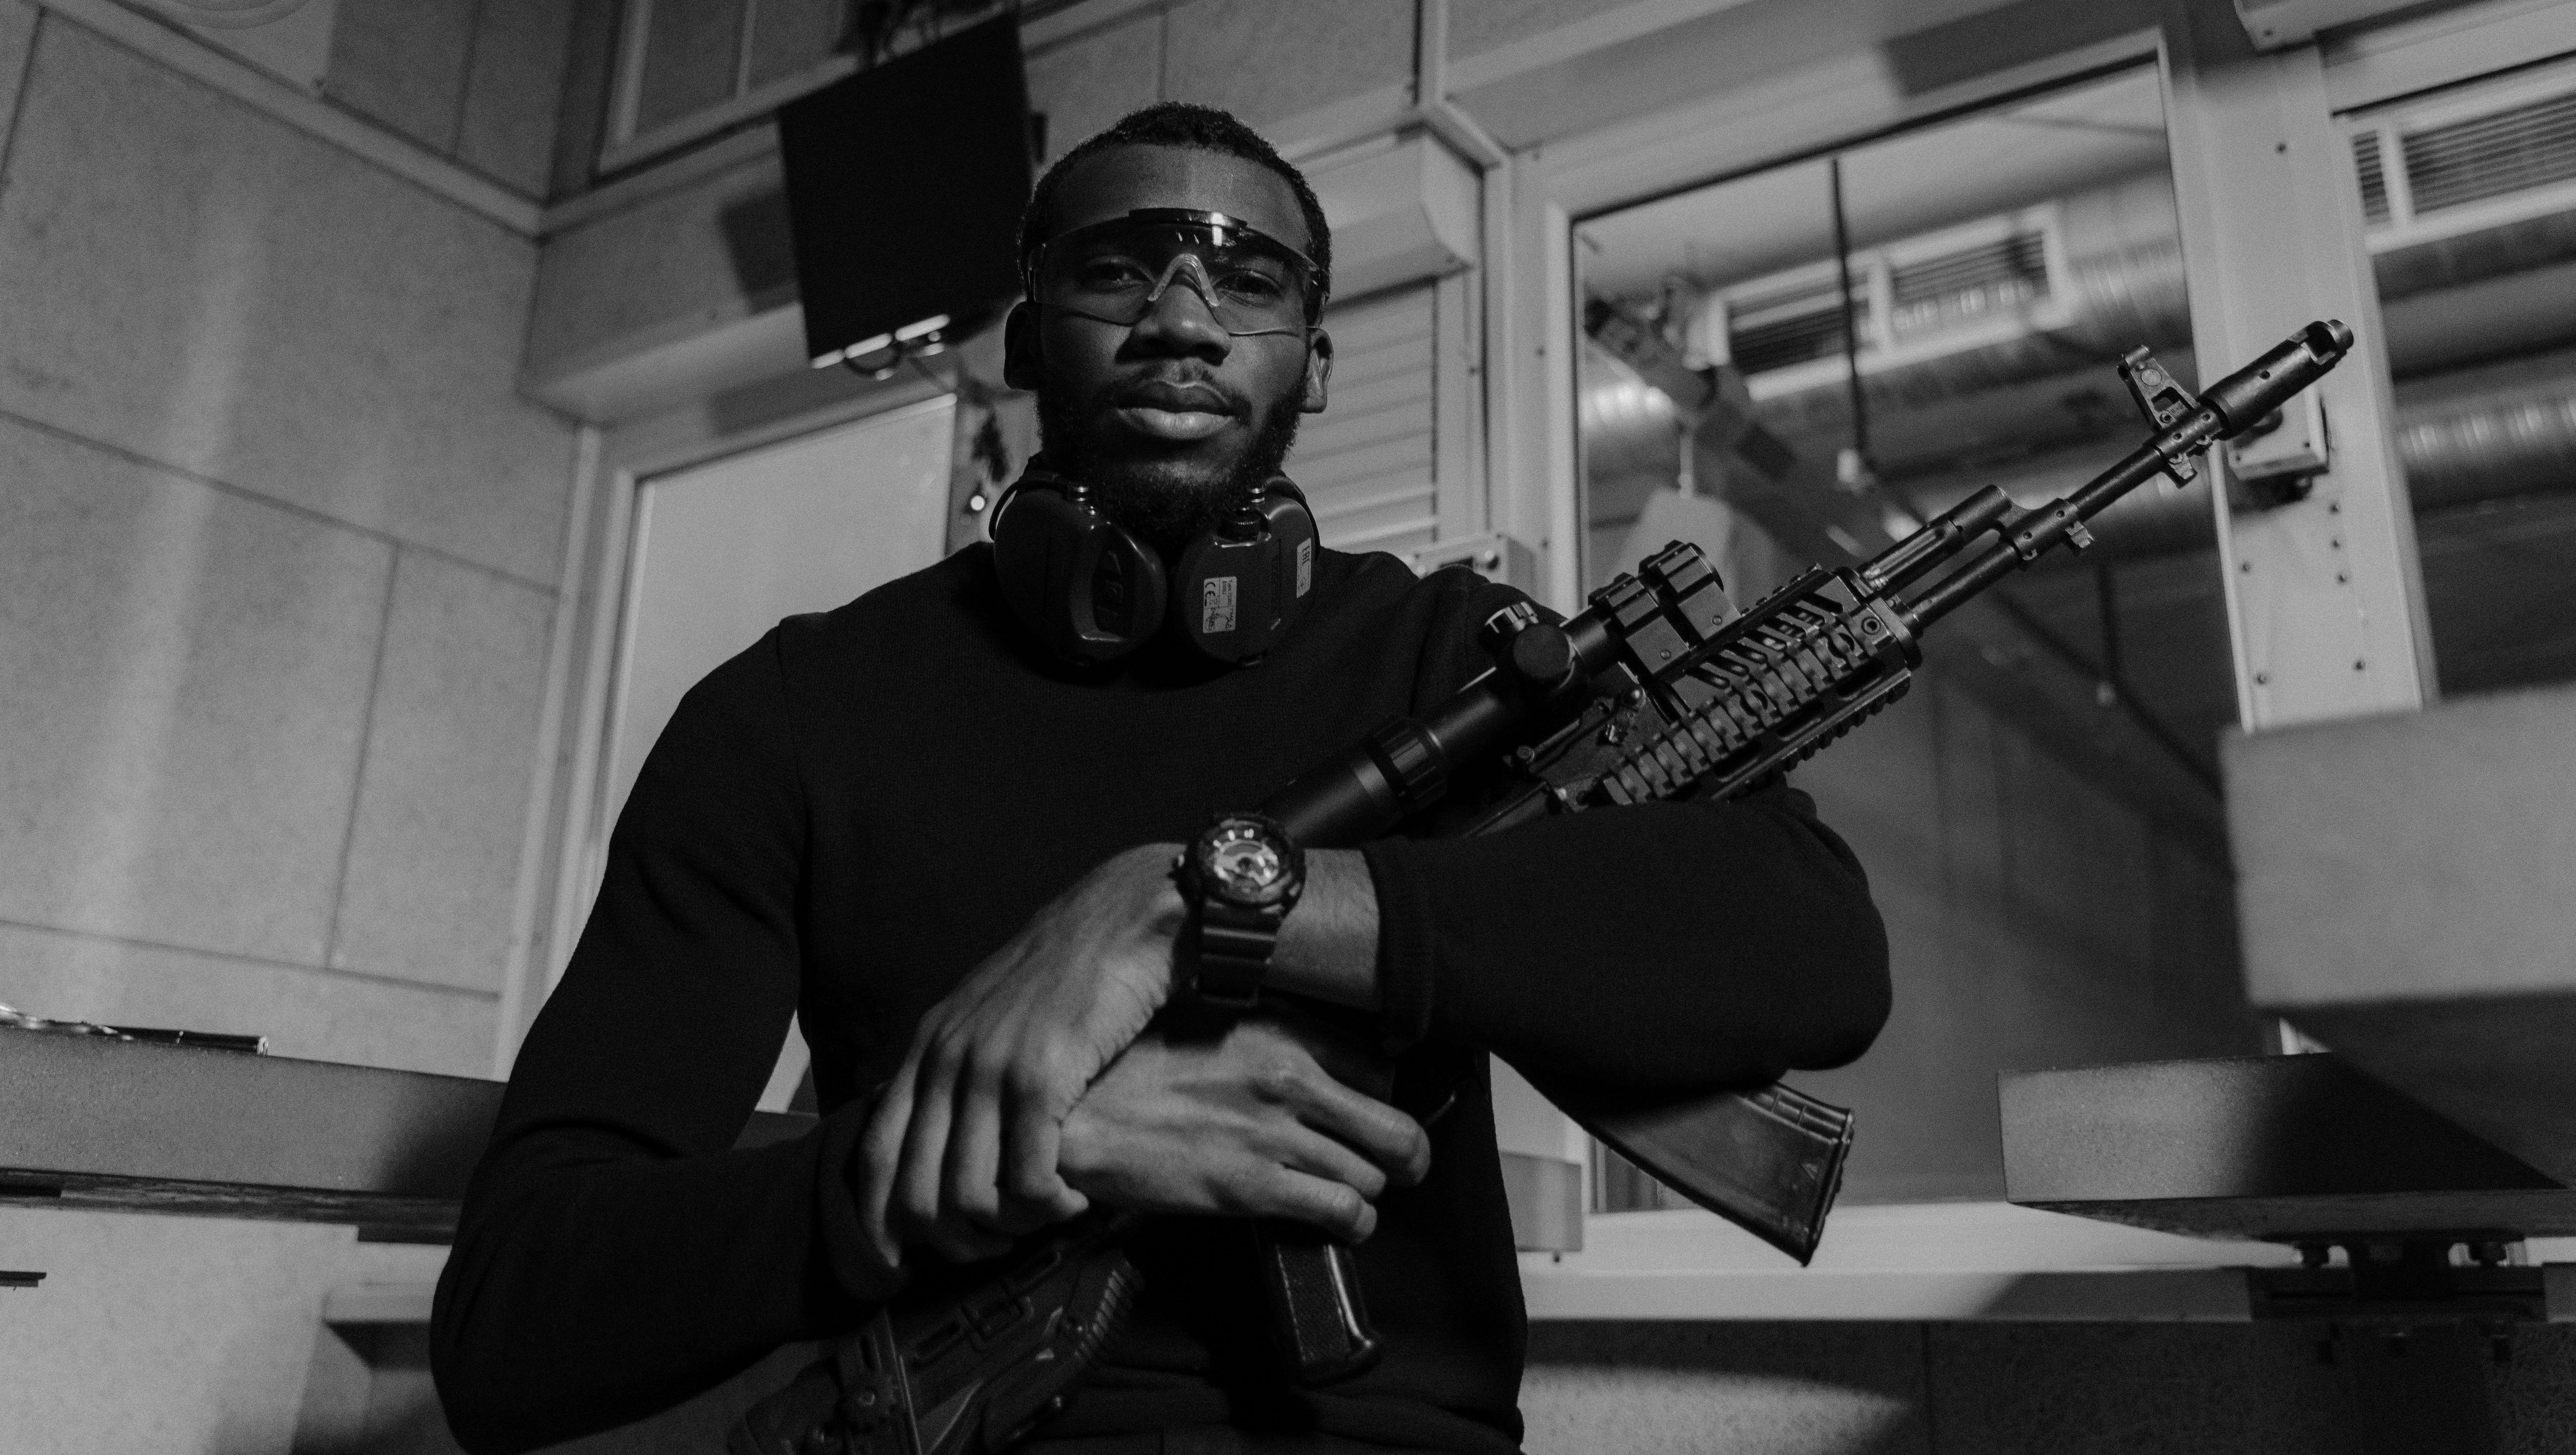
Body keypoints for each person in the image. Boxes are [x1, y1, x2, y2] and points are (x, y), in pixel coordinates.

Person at [431, 102, 1892, 1455]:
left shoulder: (1456, 661)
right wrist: (1024, 1148)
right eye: (1117, 272)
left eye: (1250, 283)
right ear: (1022, 339)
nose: (1181, 323)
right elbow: (516, 1325)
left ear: (1314, 360)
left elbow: (1810, 946)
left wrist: (1203, 906)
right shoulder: (794, 713)